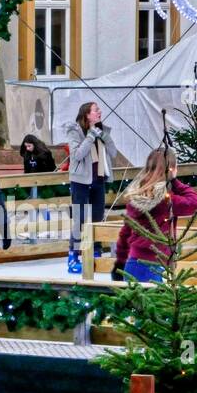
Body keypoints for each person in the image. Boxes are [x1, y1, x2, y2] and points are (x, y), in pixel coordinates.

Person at [112, 147, 197, 283]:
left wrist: (120, 261)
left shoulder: (137, 195)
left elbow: (125, 232)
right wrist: (174, 181)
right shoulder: (165, 200)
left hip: (133, 264)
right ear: (171, 169)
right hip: (152, 267)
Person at [62, 101, 121, 275]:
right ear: (87, 114)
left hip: (98, 179)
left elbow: (113, 152)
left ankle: (95, 253)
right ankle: (74, 256)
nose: (99, 112)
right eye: (96, 110)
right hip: (80, 181)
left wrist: (103, 135)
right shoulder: (75, 132)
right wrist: (90, 136)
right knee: (80, 220)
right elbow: (77, 155)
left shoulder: (102, 130)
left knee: (97, 219)